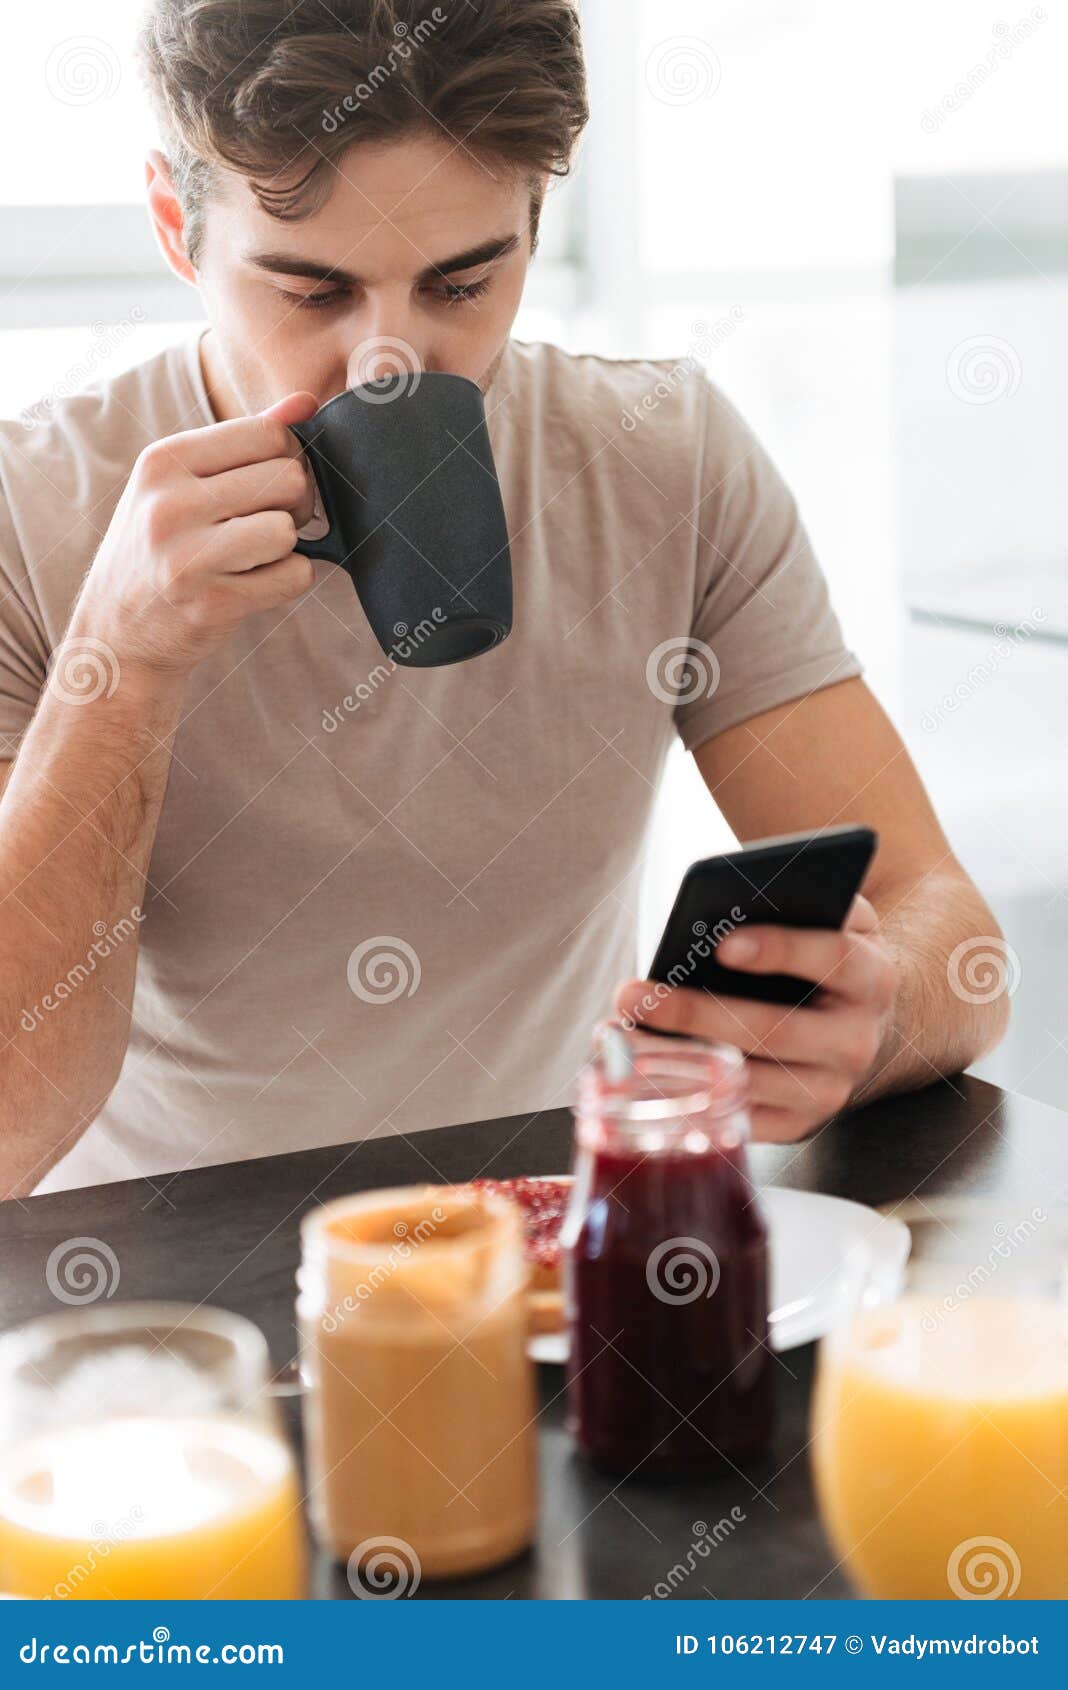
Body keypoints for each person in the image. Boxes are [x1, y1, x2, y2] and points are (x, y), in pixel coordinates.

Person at [0, 0, 1006, 1196]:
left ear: (535, 221)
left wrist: (870, 1024)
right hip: (174, 1305)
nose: (391, 359)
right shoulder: (31, 512)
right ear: (177, 226)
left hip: (549, 1262)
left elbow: (950, 929)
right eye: (313, 292)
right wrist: (122, 661)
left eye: (463, 283)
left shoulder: (663, 457)